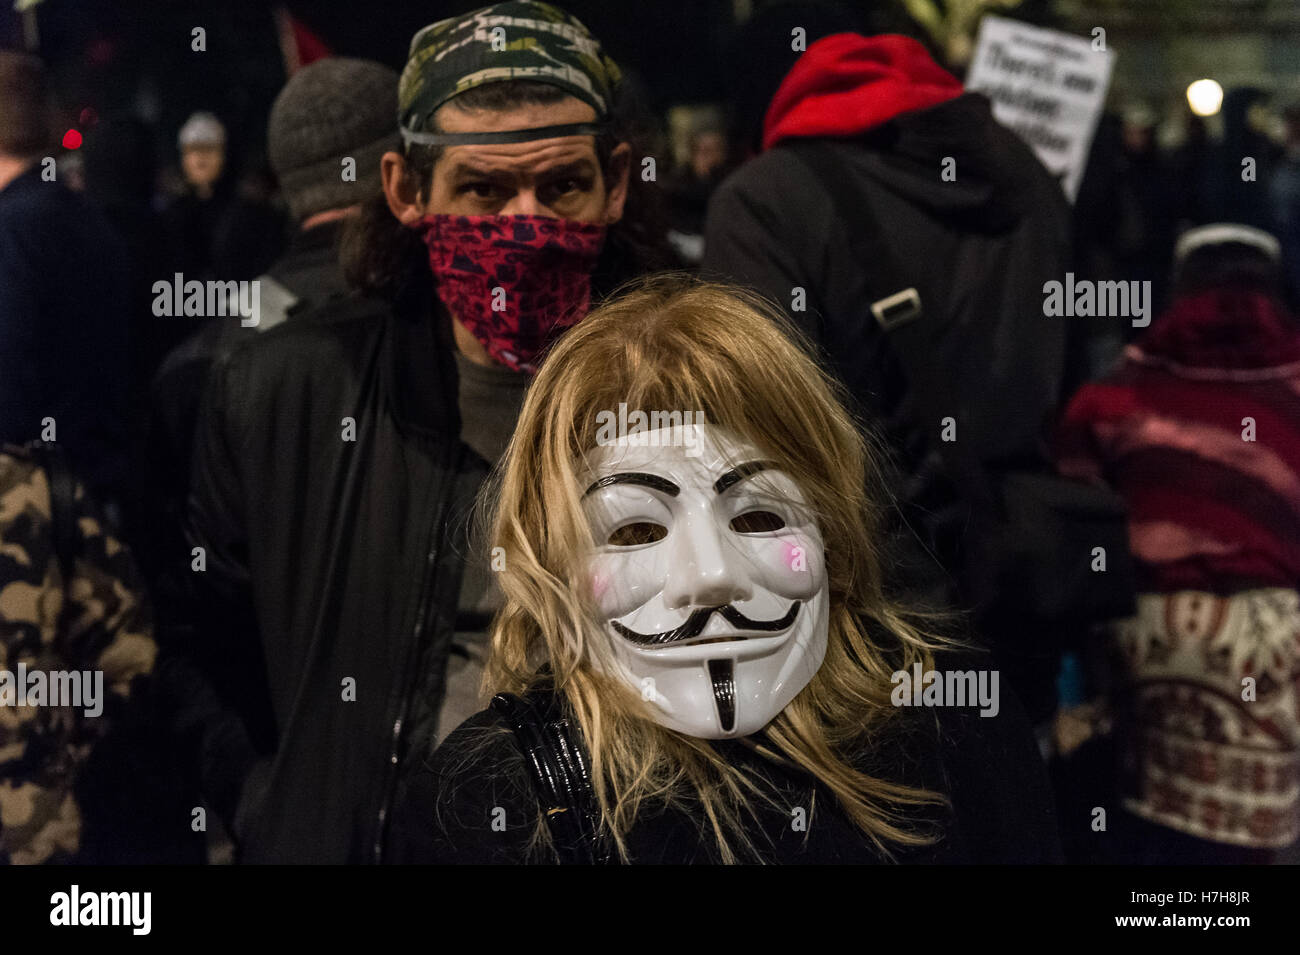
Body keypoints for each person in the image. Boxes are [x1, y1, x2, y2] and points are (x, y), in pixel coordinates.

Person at [181, 1, 665, 864]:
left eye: (560, 186)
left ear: (616, 182)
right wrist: (272, 801)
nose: (525, 224)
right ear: (408, 191)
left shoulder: (689, 391)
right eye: (483, 188)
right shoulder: (285, 390)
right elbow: (197, 646)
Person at [391, 278, 1060, 864]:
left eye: (760, 518)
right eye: (635, 530)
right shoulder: (489, 802)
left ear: (830, 527)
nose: (710, 576)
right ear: (554, 560)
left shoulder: (957, 727)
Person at [701, 28, 1107, 724]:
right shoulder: (1033, 185)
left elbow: (753, 426)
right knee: (1013, 810)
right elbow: (1082, 371)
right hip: (1020, 587)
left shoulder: (765, 200)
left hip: (856, 619)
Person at [1055, 224, 1300, 863]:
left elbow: (1075, 515)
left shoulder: (1120, 387)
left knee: (1144, 834)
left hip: (1146, 632)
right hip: (1273, 645)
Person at [0, 52, 130, 508]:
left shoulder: (13, 229)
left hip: (31, 509)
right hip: (94, 489)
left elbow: (11, 387)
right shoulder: (81, 215)